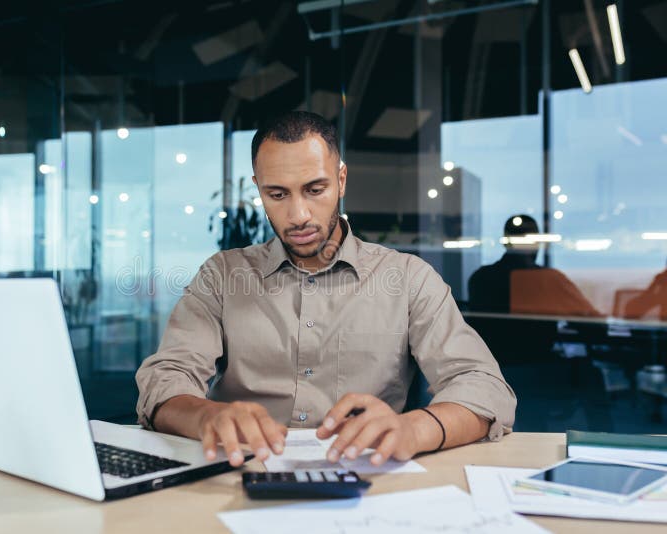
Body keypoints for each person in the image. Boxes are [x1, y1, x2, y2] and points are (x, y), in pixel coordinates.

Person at [136, 111, 516, 468]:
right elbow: (166, 378)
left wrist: (414, 429)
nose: (298, 215)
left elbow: (483, 386)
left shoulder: (409, 279)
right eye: (278, 194)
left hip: (368, 476)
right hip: (239, 473)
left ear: (342, 180)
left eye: (314, 189)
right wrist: (206, 416)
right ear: (258, 189)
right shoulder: (222, 275)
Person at [469, 215, 600, 317]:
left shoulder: (480, 278)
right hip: (536, 351)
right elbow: (591, 321)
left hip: (485, 352)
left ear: (505, 242)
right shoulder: (549, 279)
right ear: (537, 243)